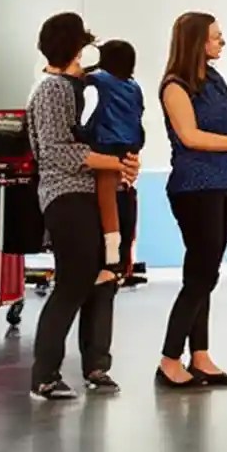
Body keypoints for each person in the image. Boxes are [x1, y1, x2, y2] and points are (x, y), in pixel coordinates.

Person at [27, 12, 139, 400]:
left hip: (96, 193)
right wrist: (114, 162)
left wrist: (123, 162)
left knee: (103, 280)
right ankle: (44, 374)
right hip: (67, 195)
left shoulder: (86, 87)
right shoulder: (54, 90)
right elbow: (58, 153)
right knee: (74, 281)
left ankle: (96, 366)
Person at [156, 12, 227, 389]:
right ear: (197, 42)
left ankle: (200, 355)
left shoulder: (214, 80)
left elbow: (224, 126)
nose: (222, 42)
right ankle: (169, 358)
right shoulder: (175, 87)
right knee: (201, 275)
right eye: (216, 37)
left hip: (224, 183)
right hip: (195, 188)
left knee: (205, 272)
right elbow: (190, 135)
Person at [81, 40, 145, 284]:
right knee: (121, 195)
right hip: (130, 145)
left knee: (106, 200)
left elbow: (80, 78)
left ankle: (111, 254)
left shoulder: (98, 80)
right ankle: (122, 257)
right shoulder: (133, 86)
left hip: (106, 144)